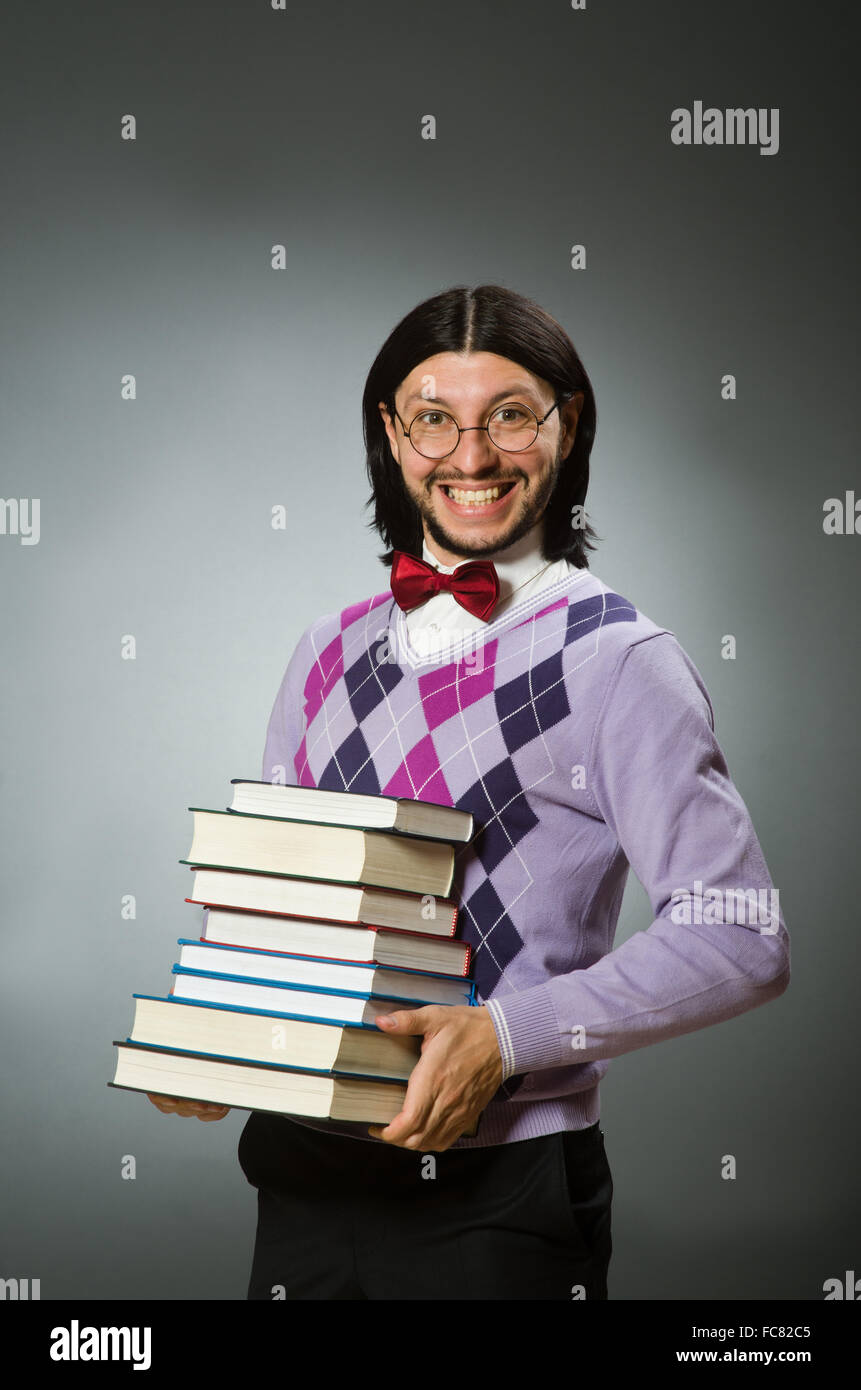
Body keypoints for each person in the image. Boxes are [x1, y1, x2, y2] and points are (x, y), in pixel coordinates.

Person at [148, 283, 790, 1300]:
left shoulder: (622, 662)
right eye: (436, 418)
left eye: (511, 415)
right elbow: (277, 899)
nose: (473, 455)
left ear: (567, 426)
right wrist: (215, 1032)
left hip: (500, 1196)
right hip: (302, 1177)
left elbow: (739, 933)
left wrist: (503, 1036)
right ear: (392, 433)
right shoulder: (326, 650)